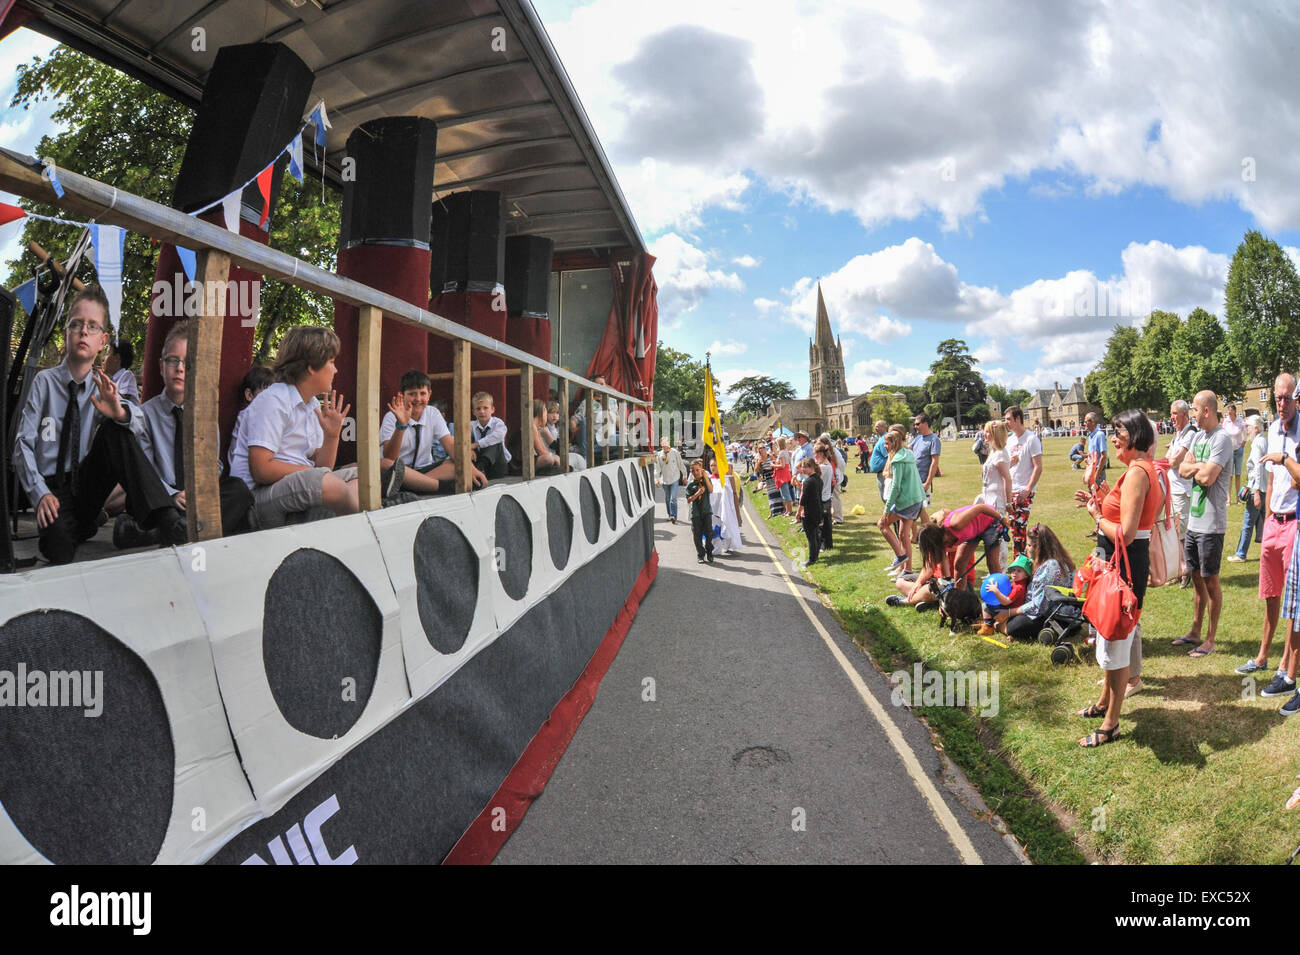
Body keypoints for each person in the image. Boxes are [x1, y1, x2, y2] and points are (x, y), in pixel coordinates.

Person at [12, 287, 187, 563]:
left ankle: (167, 520)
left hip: (86, 485)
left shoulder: (102, 386)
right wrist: (39, 493)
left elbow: (139, 426)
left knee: (116, 428)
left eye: (92, 327)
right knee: (59, 548)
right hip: (53, 489)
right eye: (76, 324)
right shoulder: (43, 384)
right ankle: (80, 526)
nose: (83, 332)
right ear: (66, 332)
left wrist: (118, 411)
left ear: (103, 341)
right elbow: (22, 445)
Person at [1073, 410, 1162, 746]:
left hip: (1124, 566)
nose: (1113, 438)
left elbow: (1125, 534)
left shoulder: (1139, 471)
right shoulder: (1136, 470)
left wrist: (1097, 517)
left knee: (1116, 642)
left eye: (1119, 432)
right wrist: (1104, 499)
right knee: (1111, 636)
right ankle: (1104, 702)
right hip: (1123, 565)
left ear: (1136, 435)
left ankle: (1111, 724)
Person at [124, 319, 254, 546]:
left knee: (239, 491)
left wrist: (195, 492)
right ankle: (182, 530)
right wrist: (172, 494)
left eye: (187, 362)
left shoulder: (204, 414)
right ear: (161, 365)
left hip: (196, 497)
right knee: (137, 500)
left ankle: (164, 533)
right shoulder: (144, 414)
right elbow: (145, 470)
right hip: (162, 498)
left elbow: (214, 465)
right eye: (173, 360)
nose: (180, 368)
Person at [230, 325, 359, 527]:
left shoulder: (313, 405)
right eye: (331, 362)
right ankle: (361, 523)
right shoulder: (273, 399)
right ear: (311, 365)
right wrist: (311, 472)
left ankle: (314, 519)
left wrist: (332, 436)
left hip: (295, 489)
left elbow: (324, 467)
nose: (336, 369)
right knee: (329, 483)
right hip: (257, 499)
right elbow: (262, 469)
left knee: (360, 476)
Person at [1173, 390, 1233, 658]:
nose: (1193, 414)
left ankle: (1210, 639)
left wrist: (1198, 469)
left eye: (1195, 410)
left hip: (1211, 524)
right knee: (1196, 578)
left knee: (1211, 581)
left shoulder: (1222, 439)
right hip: (1194, 523)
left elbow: (1208, 478)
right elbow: (1182, 469)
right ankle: (1195, 632)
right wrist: (1198, 468)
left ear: (1206, 410)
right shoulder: (1197, 436)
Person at [380, 370, 485, 495]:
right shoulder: (391, 417)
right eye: (412, 394)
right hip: (398, 473)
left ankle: (411, 488)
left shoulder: (433, 413)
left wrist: (470, 469)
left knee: (455, 464)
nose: (418, 399)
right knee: (385, 464)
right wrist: (401, 425)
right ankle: (439, 487)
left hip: (425, 471)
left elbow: (451, 446)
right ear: (402, 395)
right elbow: (390, 457)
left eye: (422, 393)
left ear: (429, 394)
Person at [1003, 523, 1078, 643]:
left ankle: (1005, 628)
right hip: (1070, 615)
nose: (1027, 548)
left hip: (1054, 615)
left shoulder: (1048, 567)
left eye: (1029, 545)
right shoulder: (1063, 560)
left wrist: (1008, 613)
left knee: (1014, 625)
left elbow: (1038, 606)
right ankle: (1057, 631)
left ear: (1039, 548)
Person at [878, 430, 925, 576]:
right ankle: (908, 570)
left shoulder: (897, 459)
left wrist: (886, 509)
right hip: (915, 499)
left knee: (882, 524)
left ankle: (900, 556)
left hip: (906, 501)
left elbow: (896, 486)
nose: (885, 446)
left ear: (895, 443)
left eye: (887, 443)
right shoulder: (908, 454)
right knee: (903, 534)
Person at [1165, 398, 1199, 587]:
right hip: (1173, 488)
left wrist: (1170, 457)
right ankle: (1179, 569)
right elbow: (1168, 457)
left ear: (1185, 414)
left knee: (1182, 531)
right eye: (1171, 414)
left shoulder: (1190, 434)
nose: (1171, 418)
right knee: (1175, 531)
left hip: (1183, 489)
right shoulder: (1178, 434)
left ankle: (1186, 570)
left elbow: (1173, 460)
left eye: (1174, 413)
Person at [931, 502, 1010, 578]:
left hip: (990, 520)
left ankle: (1000, 591)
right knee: (959, 565)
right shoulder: (941, 541)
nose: (950, 546)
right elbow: (943, 560)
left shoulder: (956, 524)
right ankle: (959, 592)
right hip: (973, 529)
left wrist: (1001, 518)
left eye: (947, 543)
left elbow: (980, 507)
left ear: (945, 536)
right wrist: (947, 579)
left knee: (992, 563)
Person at [1003, 405, 1043, 555]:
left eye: (1008, 419)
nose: (1006, 422)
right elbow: (1007, 465)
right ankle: (1019, 567)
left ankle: (1020, 567)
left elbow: (1038, 467)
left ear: (1017, 418)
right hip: (1010, 490)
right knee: (1013, 528)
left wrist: (1028, 489)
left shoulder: (1031, 439)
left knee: (1019, 529)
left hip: (1024, 490)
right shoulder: (1010, 440)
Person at [1228, 414, 1265, 565]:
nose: (1246, 430)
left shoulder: (1257, 443)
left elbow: (1258, 467)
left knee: (1248, 523)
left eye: (1248, 427)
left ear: (1256, 428)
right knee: (1264, 524)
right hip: (1262, 488)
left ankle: (1241, 554)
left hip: (1257, 489)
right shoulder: (1263, 440)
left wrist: (1255, 491)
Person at [886, 523, 950, 608]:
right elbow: (928, 567)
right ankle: (929, 600)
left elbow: (947, 580)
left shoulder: (951, 547)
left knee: (931, 590)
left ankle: (904, 601)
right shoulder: (935, 547)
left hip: (948, 584)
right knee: (900, 582)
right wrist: (918, 583)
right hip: (934, 580)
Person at [227, 364, 275, 476]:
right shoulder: (249, 416)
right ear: (249, 395)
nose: (273, 399)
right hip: (245, 478)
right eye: (267, 392)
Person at [978, 554, 1032, 636]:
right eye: (1013, 570)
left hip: (1008, 612)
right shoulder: (1017, 583)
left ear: (1026, 575)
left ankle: (988, 627)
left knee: (985, 606)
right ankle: (989, 623)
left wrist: (996, 591)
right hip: (1008, 610)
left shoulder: (1019, 587)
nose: (1015, 572)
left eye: (1019, 571)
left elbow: (1006, 602)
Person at [469, 391, 510, 479]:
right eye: (478, 409)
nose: (482, 411)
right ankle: (478, 470)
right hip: (478, 462)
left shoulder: (498, 423)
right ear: (473, 412)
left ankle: (480, 469)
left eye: (485, 408)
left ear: (492, 410)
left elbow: (498, 436)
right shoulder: (471, 425)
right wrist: (469, 449)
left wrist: (476, 444)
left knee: (495, 442)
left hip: (498, 466)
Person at [977, 420, 1013, 516]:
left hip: (996, 502)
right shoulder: (994, 452)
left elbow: (1007, 479)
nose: (984, 434)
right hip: (988, 499)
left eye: (988, 431)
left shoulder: (1000, 454)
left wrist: (1008, 503)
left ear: (996, 434)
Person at [685, 458, 714, 564]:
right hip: (696, 513)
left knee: (709, 533)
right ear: (691, 472)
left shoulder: (706, 480)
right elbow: (689, 499)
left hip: (706, 511)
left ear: (701, 469)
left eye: (698, 470)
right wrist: (697, 494)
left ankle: (709, 552)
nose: (696, 472)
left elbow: (711, 490)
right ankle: (700, 555)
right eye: (693, 471)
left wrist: (705, 476)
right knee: (697, 535)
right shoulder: (690, 485)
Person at [910, 413, 941, 509]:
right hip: (912, 479)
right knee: (916, 510)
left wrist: (927, 483)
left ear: (926, 424)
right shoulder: (918, 437)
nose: (915, 426)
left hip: (922, 482)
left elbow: (934, 463)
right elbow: (908, 448)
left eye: (917, 424)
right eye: (914, 424)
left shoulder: (934, 439)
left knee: (919, 509)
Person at [796, 457, 823, 567]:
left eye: (804, 467)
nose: (802, 469)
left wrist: (798, 512)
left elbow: (803, 500)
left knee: (811, 536)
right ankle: (815, 555)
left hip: (809, 512)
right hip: (817, 510)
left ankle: (812, 559)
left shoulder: (808, 482)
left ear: (811, 467)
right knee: (815, 535)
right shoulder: (818, 479)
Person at [655, 436, 686, 524]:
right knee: (667, 499)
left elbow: (681, 464)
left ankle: (674, 515)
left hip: (675, 478)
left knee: (673, 499)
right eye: (663, 442)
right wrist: (656, 479)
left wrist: (684, 475)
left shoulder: (675, 452)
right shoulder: (659, 455)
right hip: (665, 480)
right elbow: (657, 469)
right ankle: (670, 515)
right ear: (661, 444)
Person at [105, 337, 139, 405]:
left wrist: (105, 380)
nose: (103, 358)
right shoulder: (111, 378)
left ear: (116, 358)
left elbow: (123, 401)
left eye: (107, 354)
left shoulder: (127, 375)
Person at [814, 442, 835, 552]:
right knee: (827, 523)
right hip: (827, 496)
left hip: (822, 498)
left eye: (816, 454)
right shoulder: (829, 465)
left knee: (821, 524)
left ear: (821, 454)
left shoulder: (823, 467)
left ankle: (822, 545)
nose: (815, 457)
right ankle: (829, 544)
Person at [530, 399, 561, 472]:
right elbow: (540, 451)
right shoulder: (532, 426)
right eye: (546, 412)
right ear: (541, 412)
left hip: (537, 456)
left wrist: (554, 457)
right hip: (521, 463)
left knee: (554, 457)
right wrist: (552, 457)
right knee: (548, 459)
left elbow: (543, 448)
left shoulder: (536, 427)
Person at [1223, 402, 1245, 502]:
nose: (1229, 413)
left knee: (1238, 475)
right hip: (1229, 452)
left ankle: (1237, 498)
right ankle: (1228, 499)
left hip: (1239, 450)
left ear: (1235, 411)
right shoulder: (1226, 421)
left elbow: (1245, 431)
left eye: (1231, 411)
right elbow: (1222, 434)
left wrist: (1244, 442)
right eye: (1228, 411)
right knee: (1229, 476)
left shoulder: (1240, 421)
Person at [1085, 411, 1108, 490]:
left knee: (1100, 497)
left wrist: (1097, 474)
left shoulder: (1099, 435)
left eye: (1086, 421)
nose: (1084, 424)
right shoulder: (1090, 436)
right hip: (1091, 470)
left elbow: (1104, 456)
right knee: (1092, 497)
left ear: (1093, 422)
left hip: (1098, 471)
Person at [868, 420, 889, 503]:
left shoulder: (885, 439)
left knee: (886, 498)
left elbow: (888, 457)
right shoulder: (882, 438)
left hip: (883, 473)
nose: (875, 428)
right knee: (885, 497)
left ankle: (892, 515)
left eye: (878, 426)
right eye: (875, 426)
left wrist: (886, 471)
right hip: (881, 472)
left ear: (884, 427)